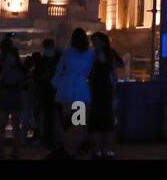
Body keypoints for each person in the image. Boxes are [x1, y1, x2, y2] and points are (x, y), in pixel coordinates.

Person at [52, 27, 94, 158]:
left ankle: (68, 150)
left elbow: (58, 70)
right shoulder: (91, 54)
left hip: (67, 89)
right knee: (79, 123)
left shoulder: (67, 53)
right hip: (80, 90)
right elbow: (89, 71)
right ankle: (74, 150)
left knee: (68, 123)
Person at [0, 43, 27, 159]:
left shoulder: (20, 69)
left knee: (15, 125)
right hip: (4, 96)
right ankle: (1, 150)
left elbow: (25, 82)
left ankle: (15, 150)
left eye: (13, 57)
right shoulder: (1, 67)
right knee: (1, 125)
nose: (11, 59)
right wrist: (5, 70)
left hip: (14, 96)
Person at [89, 32, 123, 158]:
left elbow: (113, 74)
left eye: (96, 41)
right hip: (98, 91)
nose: (94, 44)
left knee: (105, 122)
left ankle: (104, 149)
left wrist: (114, 93)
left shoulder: (107, 55)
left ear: (102, 42)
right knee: (99, 122)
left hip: (102, 91)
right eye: (93, 41)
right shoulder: (94, 55)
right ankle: (100, 149)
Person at [34, 38, 59, 149]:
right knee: (50, 117)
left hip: (55, 92)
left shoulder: (55, 58)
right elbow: (38, 76)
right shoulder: (45, 60)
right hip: (50, 92)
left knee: (54, 116)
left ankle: (55, 138)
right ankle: (51, 139)